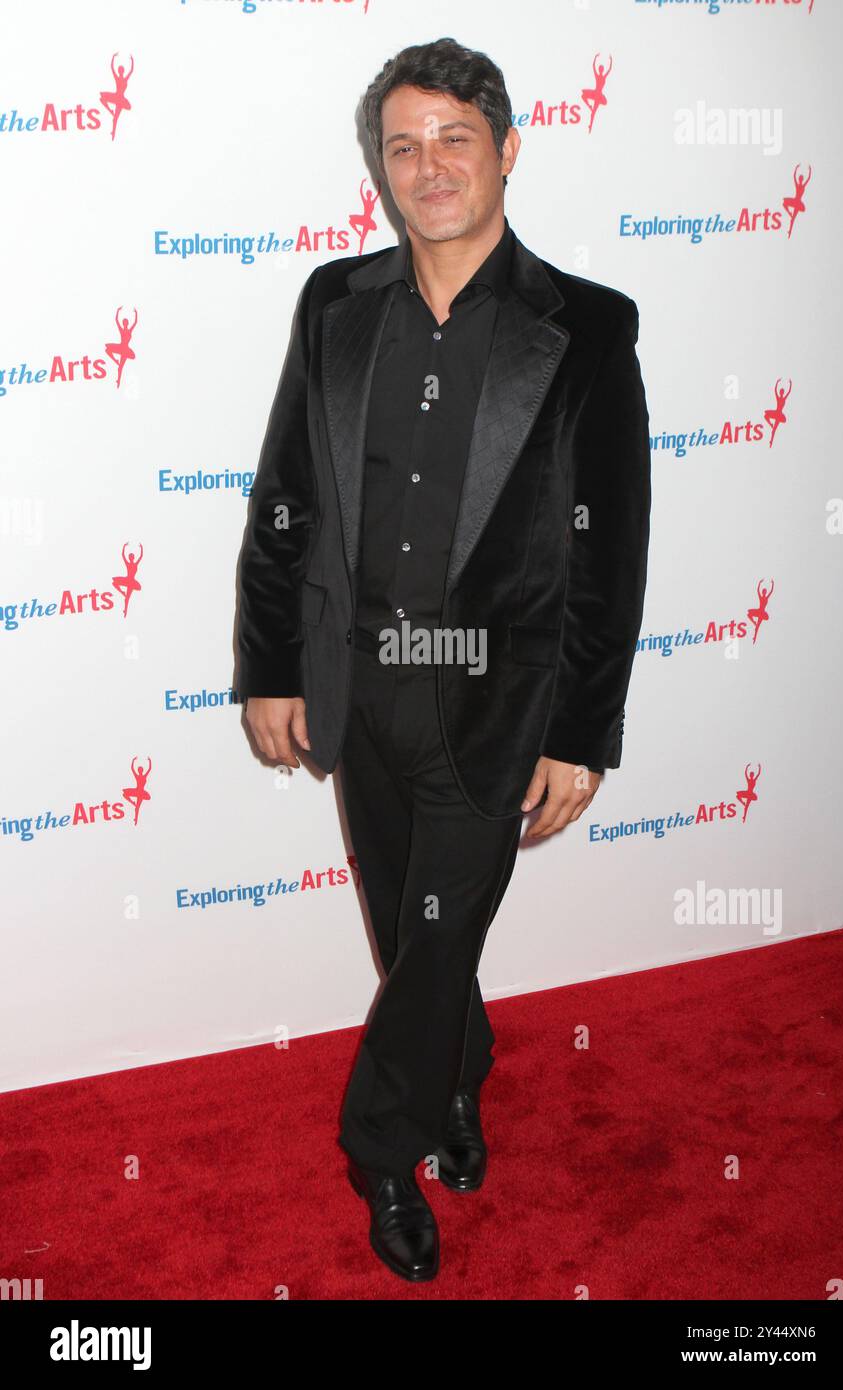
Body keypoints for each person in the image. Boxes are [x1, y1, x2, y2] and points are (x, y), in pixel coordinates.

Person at [234, 36, 651, 1283]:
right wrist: (269, 662)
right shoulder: (334, 305)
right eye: (404, 146)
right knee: (420, 944)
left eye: (453, 139)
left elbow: (609, 550)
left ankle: (382, 1146)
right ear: (381, 167)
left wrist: (583, 728)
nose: (429, 167)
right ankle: (459, 1083)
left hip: (497, 708)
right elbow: (285, 495)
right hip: (356, 699)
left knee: (427, 936)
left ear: (507, 150)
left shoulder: (582, 331)